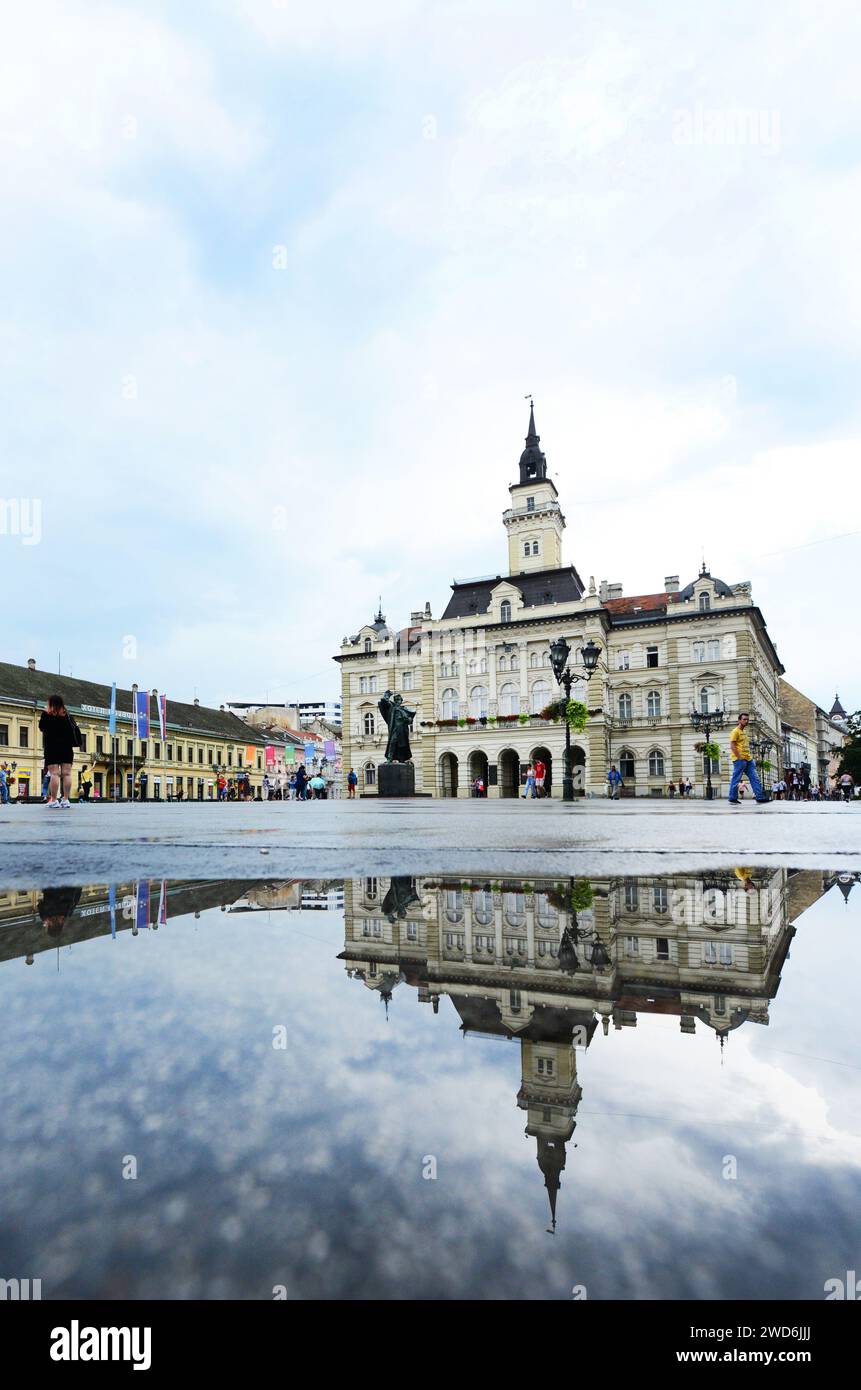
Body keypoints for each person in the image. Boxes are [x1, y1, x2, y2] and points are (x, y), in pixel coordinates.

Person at [38, 694, 78, 809]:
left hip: (52, 747)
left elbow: (41, 727)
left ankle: (54, 800)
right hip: (66, 747)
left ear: (50, 703)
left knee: (54, 773)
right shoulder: (67, 715)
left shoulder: (46, 714)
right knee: (67, 774)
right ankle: (66, 799)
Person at [728, 712, 767, 805]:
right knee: (736, 778)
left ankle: (759, 797)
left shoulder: (744, 732)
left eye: (747, 719)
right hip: (739, 760)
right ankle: (732, 798)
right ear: (739, 720)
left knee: (755, 778)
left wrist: (750, 757)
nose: (746, 721)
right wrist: (739, 757)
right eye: (744, 719)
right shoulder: (735, 731)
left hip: (748, 759)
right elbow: (733, 746)